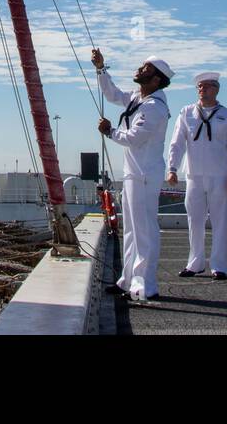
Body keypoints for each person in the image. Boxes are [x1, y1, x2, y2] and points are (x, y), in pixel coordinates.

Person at [93, 48, 173, 301]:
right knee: (130, 229)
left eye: (146, 68)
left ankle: (146, 284)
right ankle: (127, 279)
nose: (140, 69)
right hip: (133, 172)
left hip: (145, 173)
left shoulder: (155, 107)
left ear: (157, 79)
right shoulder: (138, 98)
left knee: (145, 229)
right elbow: (112, 93)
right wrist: (100, 69)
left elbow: (135, 138)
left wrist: (110, 132)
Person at [167, 71, 227, 278]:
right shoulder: (186, 113)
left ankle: (219, 265)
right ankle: (195, 263)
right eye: (200, 86)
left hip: (220, 175)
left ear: (216, 89)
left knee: (220, 221)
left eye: (207, 86)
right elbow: (177, 143)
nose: (203, 90)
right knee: (194, 220)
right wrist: (172, 168)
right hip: (194, 176)